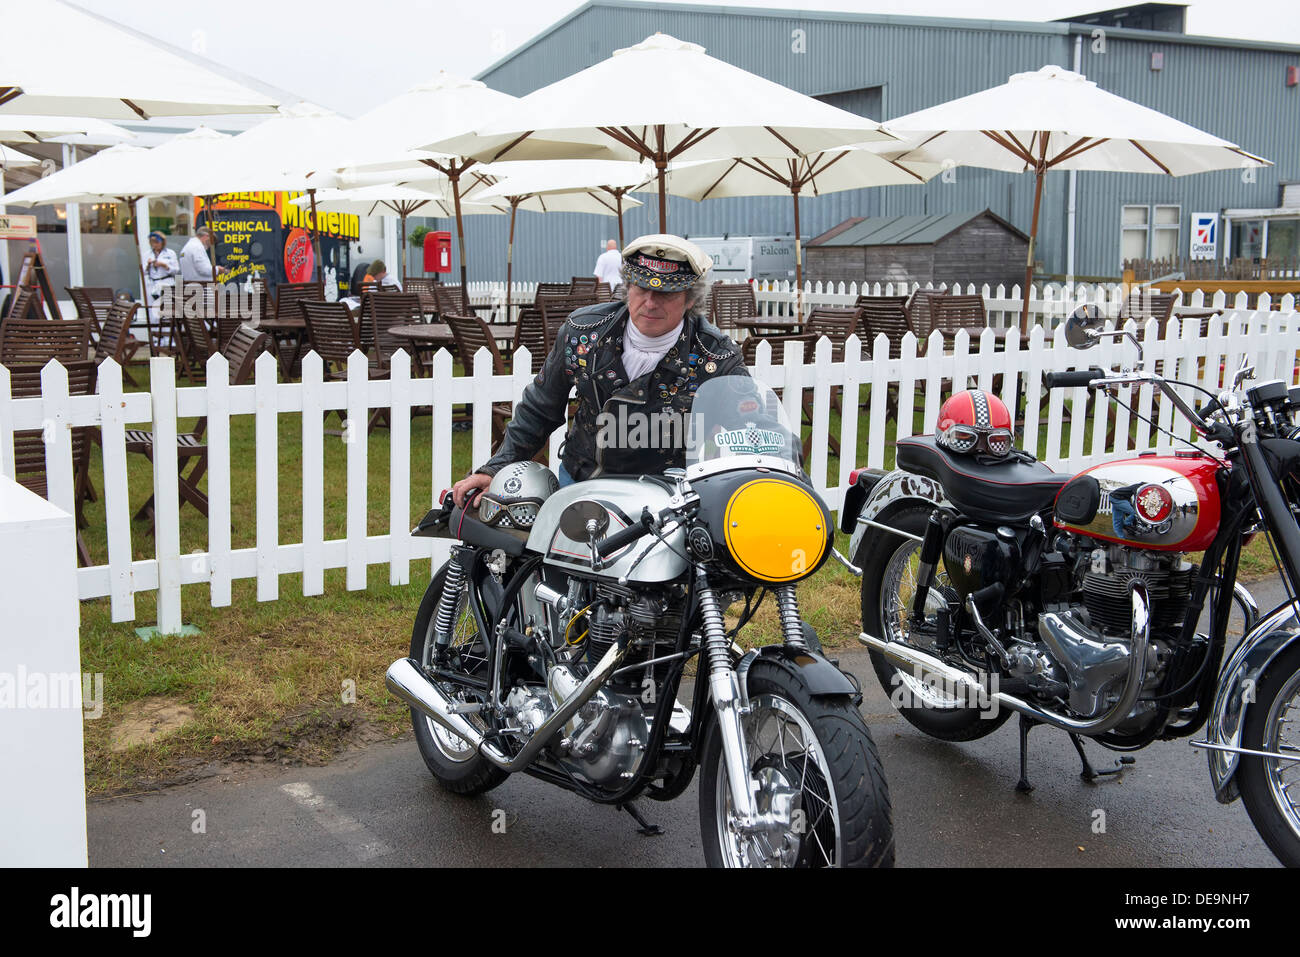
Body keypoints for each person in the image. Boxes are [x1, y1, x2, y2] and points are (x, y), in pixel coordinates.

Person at [451, 234, 746, 506]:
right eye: (641, 288)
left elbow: (747, 432)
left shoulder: (716, 355)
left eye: (666, 293)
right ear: (628, 286)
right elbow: (540, 408)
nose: (650, 302)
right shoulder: (582, 332)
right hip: (583, 482)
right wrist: (497, 468)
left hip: (670, 499)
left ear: (691, 298)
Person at [143, 231, 178, 306]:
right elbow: (143, 272)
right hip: (153, 284)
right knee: (153, 308)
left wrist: (164, 265)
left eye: (157, 242)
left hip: (167, 283)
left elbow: (176, 270)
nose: (155, 245)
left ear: (162, 242)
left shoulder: (170, 253)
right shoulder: (147, 254)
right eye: (152, 242)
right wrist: (148, 265)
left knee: (166, 308)